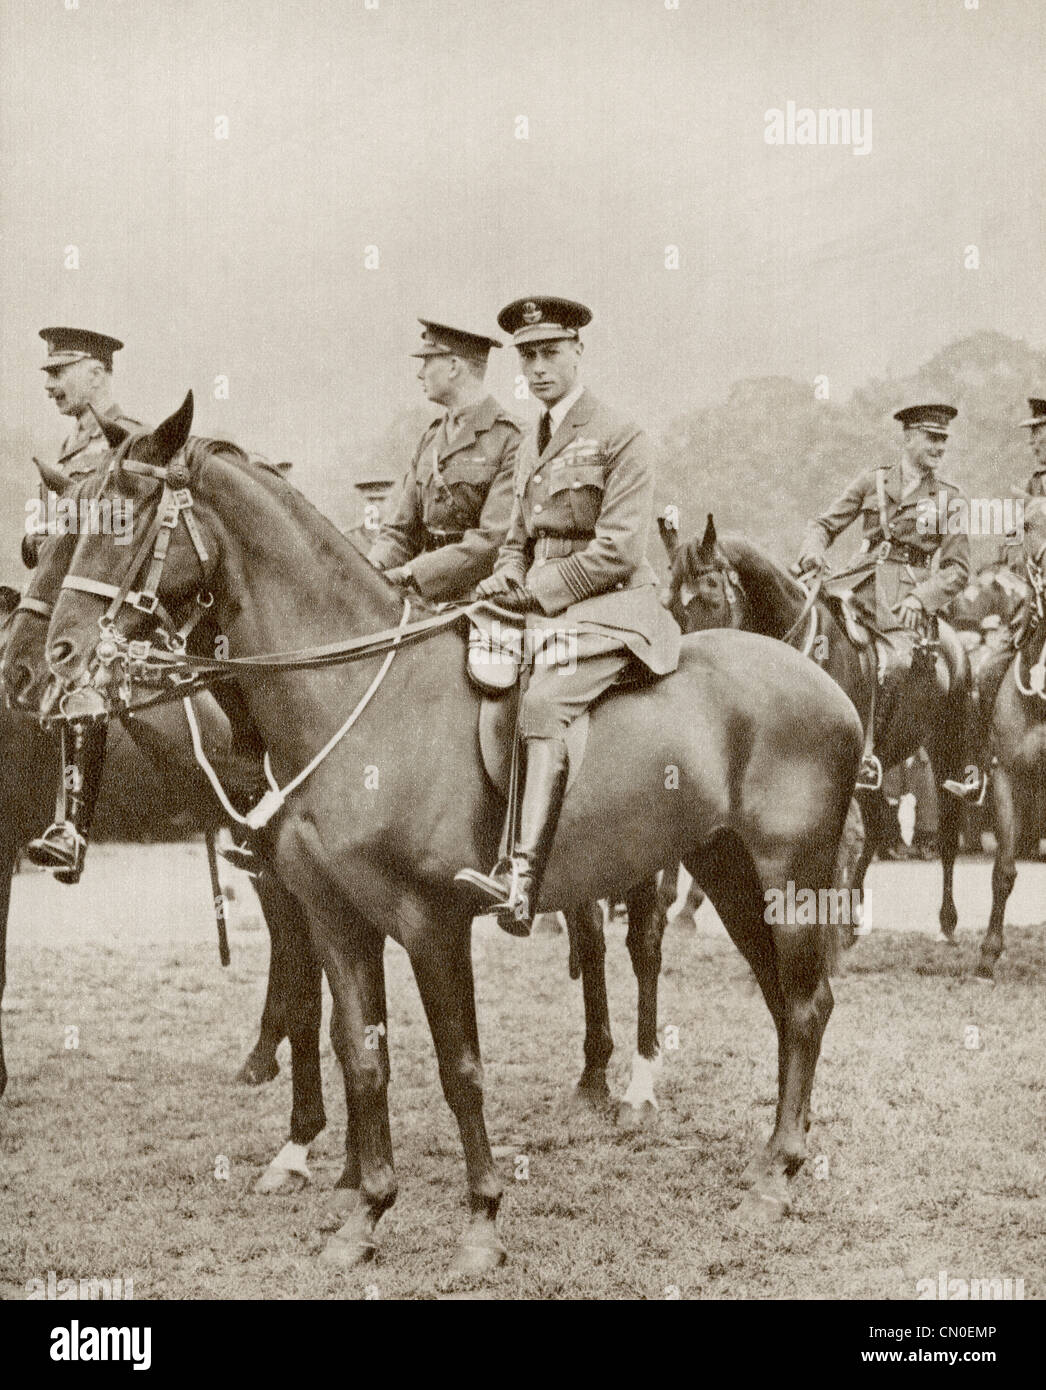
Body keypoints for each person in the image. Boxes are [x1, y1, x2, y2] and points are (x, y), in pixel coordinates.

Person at [455, 297, 681, 935]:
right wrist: (502, 578)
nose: (539, 368)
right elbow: (514, 539)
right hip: (545, 609)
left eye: (551, 353)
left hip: (615, 608)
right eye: (528, 356)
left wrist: (533, 592)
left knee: (544, 701)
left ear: (579, 352)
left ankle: (523, 880)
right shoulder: (530, 441)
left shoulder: (622, 436)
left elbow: (618, 550)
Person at [797, 402, 983, 799]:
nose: (940, 447)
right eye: (932, 438)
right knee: (807, 634)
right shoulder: (874, 482)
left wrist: (922, 597)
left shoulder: (950, 500)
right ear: (908, 438)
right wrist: (812, 552)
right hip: (854, 583)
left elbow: (956, 570)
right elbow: (823, 525)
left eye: (944, 440)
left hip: (905, 596)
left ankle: (868, 755)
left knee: (895, 659)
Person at [25, 328, 142, 883]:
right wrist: (42, 534)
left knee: (83, 677)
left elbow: (128, 534)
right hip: (68, 593)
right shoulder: (68, 449)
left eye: (60, 370)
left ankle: (73, 828)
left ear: (97, 373)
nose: (49, 383)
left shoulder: (137, 441)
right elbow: (49, 541)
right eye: (48, 372)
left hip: (120, 603)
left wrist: (68, 531)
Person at [367, 319, 522, 600]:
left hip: (480, 597)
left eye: (426, 362)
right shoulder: (430, 439)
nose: (419, 374)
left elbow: (492, 541)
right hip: (422, 595)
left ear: (453, 366)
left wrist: (410, 574)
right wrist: (371, 568)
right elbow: (400, 531)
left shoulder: (511, 438)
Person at [346, 477, 397, 553]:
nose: (376, 504)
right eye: (371, 500)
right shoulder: (349, 540)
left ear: (391, 503)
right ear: (362, 503)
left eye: (382, 499)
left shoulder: (398, 540)